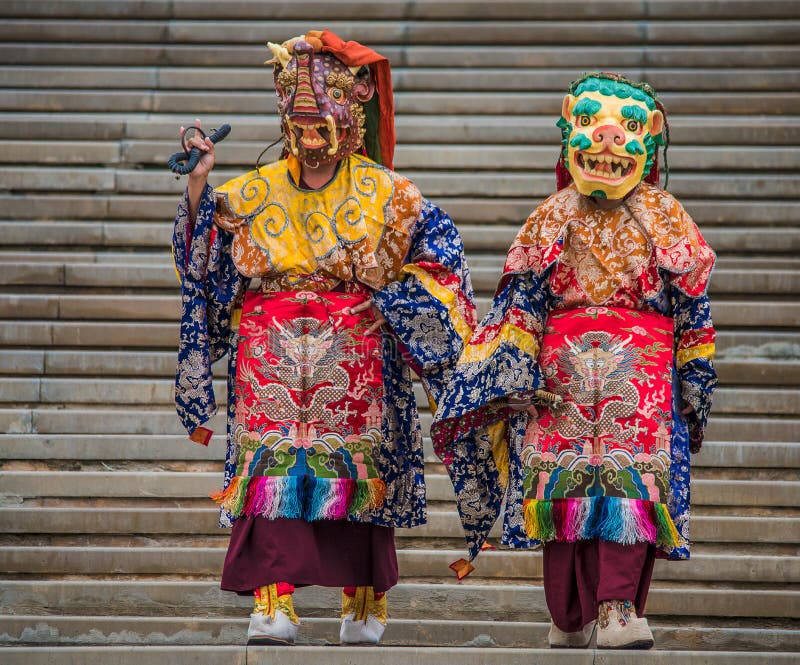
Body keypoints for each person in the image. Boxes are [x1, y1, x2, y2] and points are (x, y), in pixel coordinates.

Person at [171, 30, 475, 646]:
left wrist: (392, 298)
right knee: (271, 474)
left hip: (356, 357)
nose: (310, 136)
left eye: (321, 123)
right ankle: (273, 602)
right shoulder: (253, 191)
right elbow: (203, 261)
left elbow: (444, 267)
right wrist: (199, 183)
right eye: (300, 123)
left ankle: (362, 599)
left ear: (351, 115)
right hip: (270, 358)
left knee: (356, 475)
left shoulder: (390, 194)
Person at [431, 72, 717, 650]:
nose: (608, 140)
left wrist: (694, 376)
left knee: (629, 489)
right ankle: (567, 615)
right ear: (568, 130)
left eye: (627, 128)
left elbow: (693, 306)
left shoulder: (666, 215)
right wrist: (514, 374)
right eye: (589, 123)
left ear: (649, 137)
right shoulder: (550, 215)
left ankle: (616, 608)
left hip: (639, 379)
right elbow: (521, 304)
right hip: (558, 376)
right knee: (562, 492)